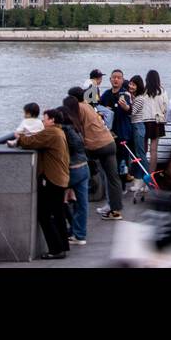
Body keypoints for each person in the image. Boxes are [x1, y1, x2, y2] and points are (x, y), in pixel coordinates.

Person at [14, 108, 71, 259]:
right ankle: (63, 246)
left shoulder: (51, 132)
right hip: (61, 177)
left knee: (44, 214)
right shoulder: (60, 132)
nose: (42, 121)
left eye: (44, 119)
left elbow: (30, 141)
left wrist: (18, 137)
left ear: (52, 120)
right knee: (58, 213)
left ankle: (55, 249)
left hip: (52, 178)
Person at [75, 86, 123, 221]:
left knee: (85, 170)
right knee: (113, 178)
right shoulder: (89, 107)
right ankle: (115, 209)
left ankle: (83, 199)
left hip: (96, 146)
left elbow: (76, 128)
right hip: (109, 142)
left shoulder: (79, 108)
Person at [58, 97, 91, 244]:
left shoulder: (63, 131)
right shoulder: (76, 127)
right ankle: (80, 235)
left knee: (60, 200)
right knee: (82, 204)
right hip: (84, 168)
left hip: (72, 170)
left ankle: (69, 230)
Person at [99, 69, 134, 180]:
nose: (116, 79)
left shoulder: (125, 94)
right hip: (109, 133)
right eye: (114, 77)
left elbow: (129, 110)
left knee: (122, 159)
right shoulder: (106, 94)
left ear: (122, 80)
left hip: (122, 131)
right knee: (111, 160)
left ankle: (123, 183)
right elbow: (98, 108)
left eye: (119, 77)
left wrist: (125, 107)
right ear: (110, 79)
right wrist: (102, 111)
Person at [143, 70, 167, 175]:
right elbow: (166, 106)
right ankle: (151, 174)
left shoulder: (143, 91)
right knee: (154, 150)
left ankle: (142, 171)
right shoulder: (161, 91)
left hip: (144, 121)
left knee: (143, 149)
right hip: (157, 121)